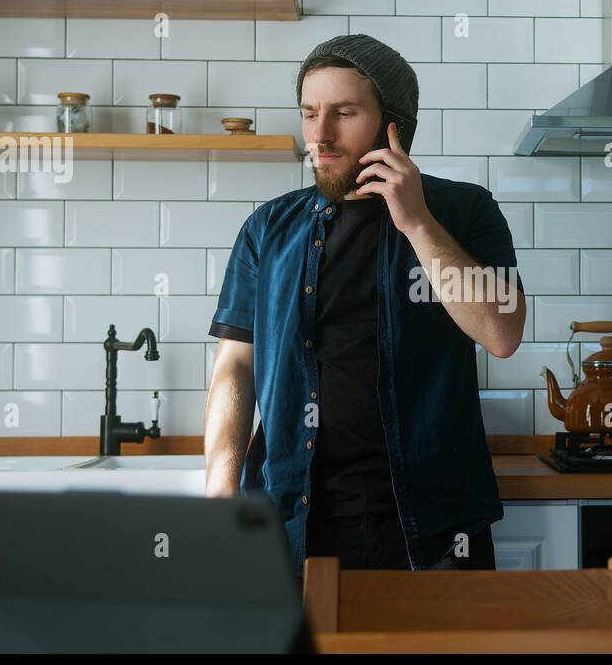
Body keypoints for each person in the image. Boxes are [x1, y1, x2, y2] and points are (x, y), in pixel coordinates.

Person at [203, 34, 526, 577]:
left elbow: (501, 333)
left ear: (393, 123)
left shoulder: (465, 210)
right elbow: (236, 366)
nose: (319, 135)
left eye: (344, 113)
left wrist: (416, 222)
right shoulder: (267, 229)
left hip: (433, 526)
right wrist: (219, 494)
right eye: (309, 114)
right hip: (289, 523)